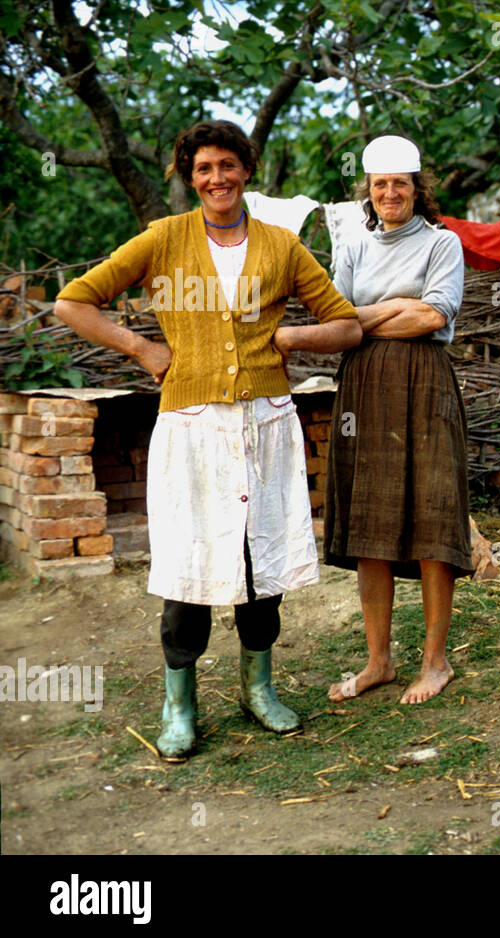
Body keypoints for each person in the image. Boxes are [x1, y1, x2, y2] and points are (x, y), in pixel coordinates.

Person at [53, 120, 362, 760]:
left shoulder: (281, 246)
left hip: (267, 425)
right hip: (193, 429)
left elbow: (346, 326)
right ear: (190, 179)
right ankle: (179, 704)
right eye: (203, 170)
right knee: (189, 564)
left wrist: (293, 339)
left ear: (247, 169)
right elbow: (72, 303)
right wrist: (142, 348)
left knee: (261, 563)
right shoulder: (164, 239)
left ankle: (258, 688)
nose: (216, 178)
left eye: (227, 165)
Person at [323, 135, 472, 706]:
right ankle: (378, 661)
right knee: (371, 523)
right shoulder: (354, 245)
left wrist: (369, 317)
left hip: (425, 384)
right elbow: (338, 320)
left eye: (400, 185)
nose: (390, 194)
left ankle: (435, 662)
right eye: (380, 185)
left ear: (417, 189)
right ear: (370, 191)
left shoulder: (443, 244)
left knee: (433, 516)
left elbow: (435, 314)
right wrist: (392, 311)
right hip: (363, 390)